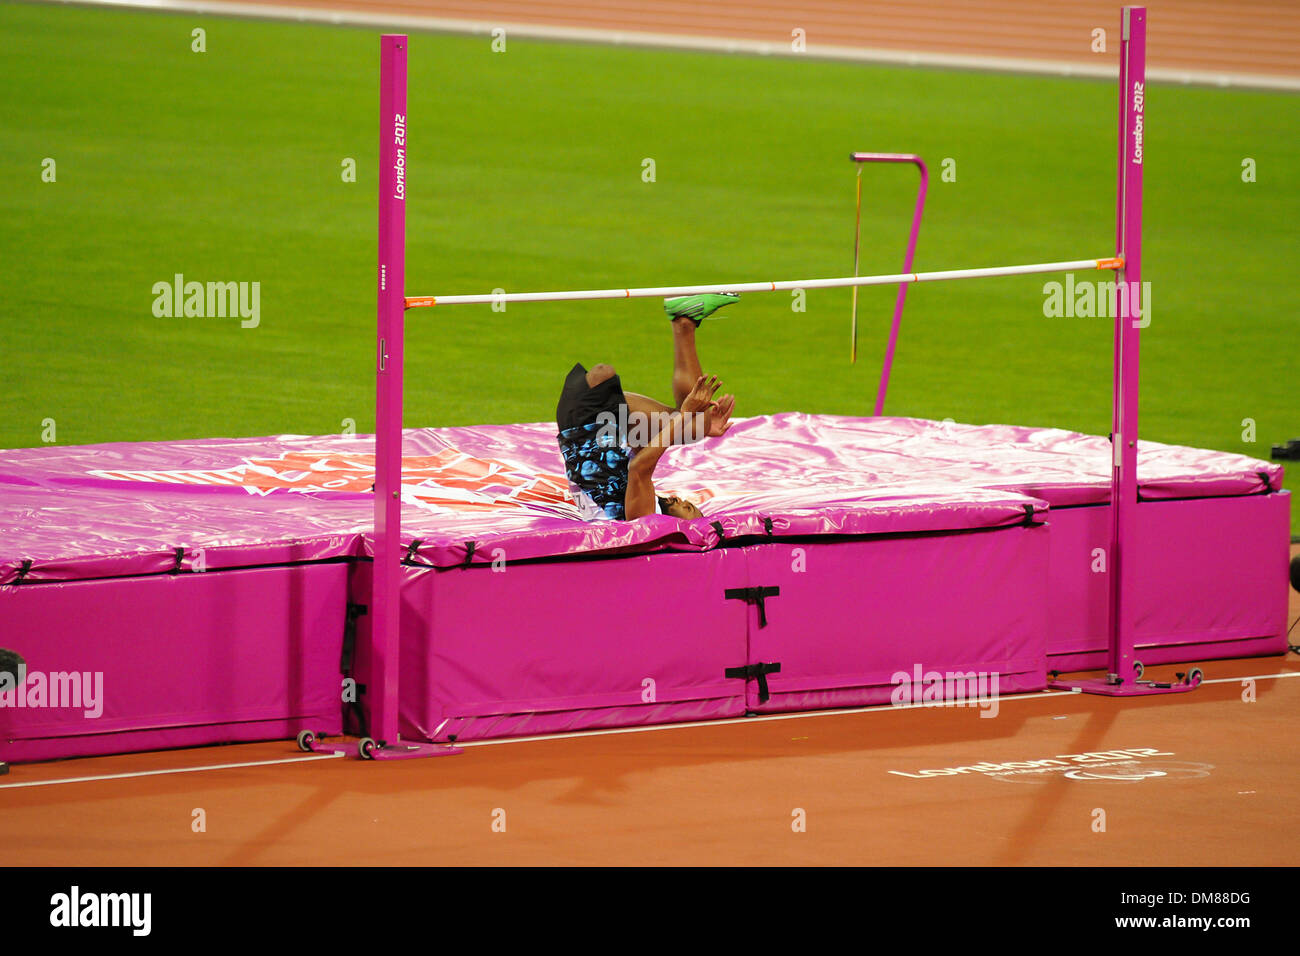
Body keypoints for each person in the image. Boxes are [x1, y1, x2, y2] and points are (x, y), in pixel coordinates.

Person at [555, 293, 739, 520]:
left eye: (687, 508)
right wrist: (693, 426)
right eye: (689, 504)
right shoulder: (643, 510)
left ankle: (684, 322)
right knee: (696, 427)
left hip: (584, 426)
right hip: (595, 431)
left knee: (694, 424)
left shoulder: (645, 518)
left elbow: (639, 467)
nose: (681, 500)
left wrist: (685, 415)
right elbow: (637, 453)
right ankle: (684, 320)